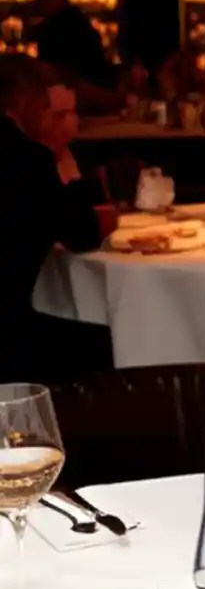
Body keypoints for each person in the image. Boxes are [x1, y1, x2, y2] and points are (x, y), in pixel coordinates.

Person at [0, 55, 108, 384]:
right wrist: (64, 163)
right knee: (113, 341)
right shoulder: (27, 160)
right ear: (28, 102)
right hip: (10, 341)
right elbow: (84, 234)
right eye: (48, 107)